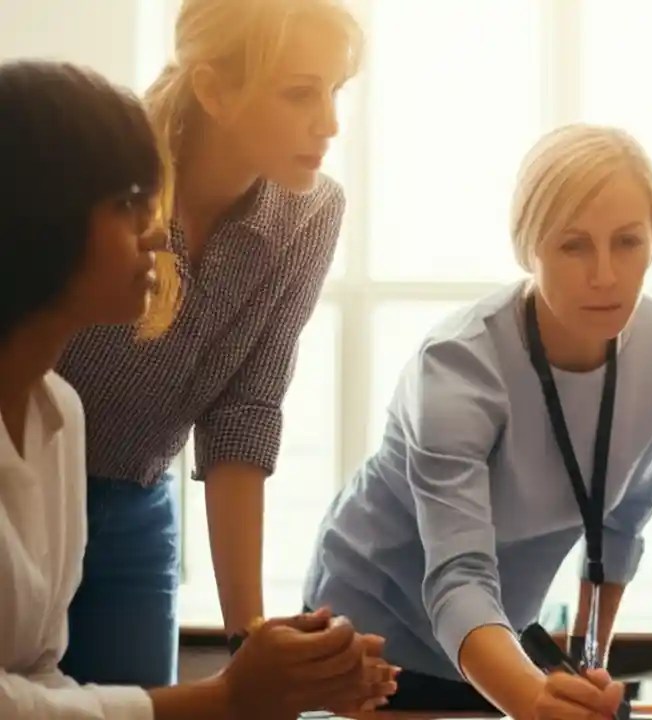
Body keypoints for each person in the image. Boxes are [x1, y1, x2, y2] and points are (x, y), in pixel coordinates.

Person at [0, 58, 395, 720]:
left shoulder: (54, 414)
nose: (157, 236)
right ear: (42, 217)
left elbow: (34, 678)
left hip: (135, 487)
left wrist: (259, 660)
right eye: (130, 207)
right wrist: (228, 697)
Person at [302, 123, 652, 719]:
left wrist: (587, 669)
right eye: (574, 245)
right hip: (374, 630)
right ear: (526, 248)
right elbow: (458, 578)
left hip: (497, 639)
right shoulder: (457, 368)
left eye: (628, 242)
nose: (606, 274)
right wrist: (535, 701)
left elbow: (621, 523)